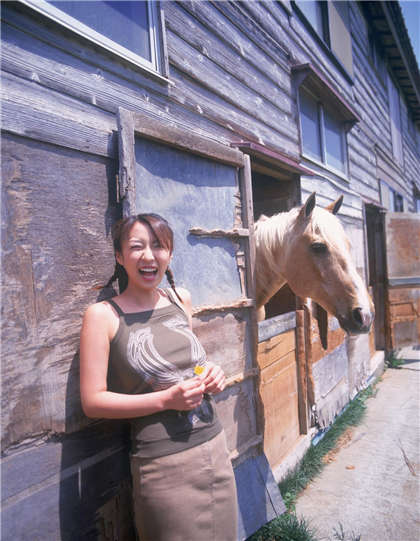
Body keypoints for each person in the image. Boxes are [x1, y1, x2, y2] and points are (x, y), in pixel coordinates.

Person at [79, 213, 238, 541]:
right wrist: (165, 400)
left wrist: (210, 373)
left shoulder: (181, 300)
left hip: (215, 446)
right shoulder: (103, 316)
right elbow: (92, 401)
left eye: (159, 246)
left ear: (170, 254)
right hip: (163, 465)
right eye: (137, 247)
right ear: (120, 257)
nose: (149, 256)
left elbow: (190, 363)